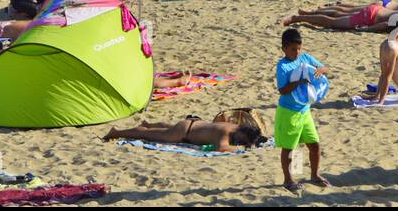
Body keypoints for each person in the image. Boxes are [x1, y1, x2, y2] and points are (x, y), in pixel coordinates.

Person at [274, 28, 329, 192]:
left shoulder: (305, 58)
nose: (297, 52)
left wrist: (320, 70)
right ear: (284, 48)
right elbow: (282, 90)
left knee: (314, 144)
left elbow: (325, 68)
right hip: (289, 112)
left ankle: (314, 175)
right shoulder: (282, 66)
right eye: (293, 49)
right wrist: (298, 82)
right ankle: (288, 180)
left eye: (299, 48)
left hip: (305, 111)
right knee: (289, 148)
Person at [102, 118, 264, 152]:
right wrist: (242, 148)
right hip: (183, 133)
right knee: (149, 136)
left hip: (191, 123)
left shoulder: (233, 126)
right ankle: (116, 132)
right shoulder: (226, 133)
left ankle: (149, 123)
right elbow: (221, 147)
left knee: (164, 129)